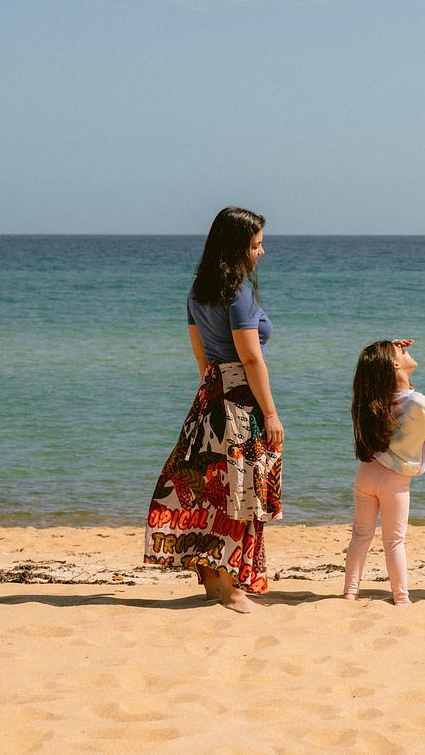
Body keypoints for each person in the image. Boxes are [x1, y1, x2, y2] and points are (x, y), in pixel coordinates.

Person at [144, 206, 284, 613]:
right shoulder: (238, 292)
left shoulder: (196, 291)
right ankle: (233, 591)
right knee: (239, 489)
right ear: (237, 246)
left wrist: (212, 398)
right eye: (256, 245)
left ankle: (213, 583)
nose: (261, 252)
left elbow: (202, 360)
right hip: (238, 400)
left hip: (210, 396)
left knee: (211, 489)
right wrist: (271, 414)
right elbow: (251, 359)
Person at [344, 339, 425, 606]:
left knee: (361, 535)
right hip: (393, 480)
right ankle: (401, 597)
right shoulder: (417, 403)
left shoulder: (374, 400)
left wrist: (387, 349)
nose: (406, 350)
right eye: (401, 350)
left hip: (366, 473)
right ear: (395, 364)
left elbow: (382, 370)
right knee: (394, 541)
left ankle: (350, 591)